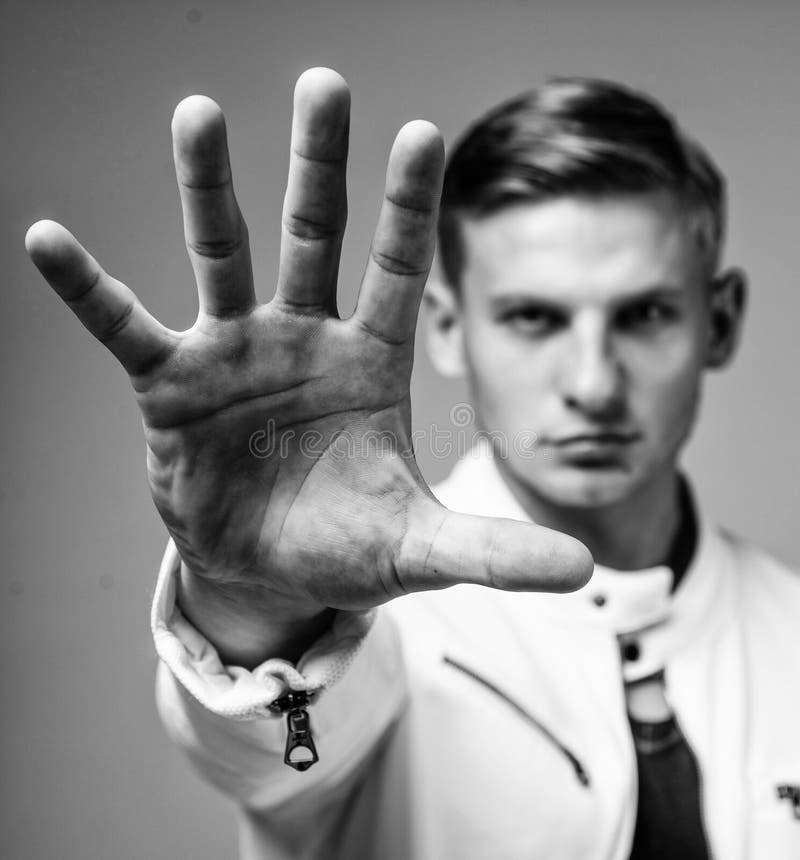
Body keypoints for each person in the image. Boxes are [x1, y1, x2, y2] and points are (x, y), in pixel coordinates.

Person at [25, 67, 800, 859]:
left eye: (647, 314)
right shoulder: (371, 624)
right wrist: (255, 606)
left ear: (722, 321)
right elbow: (271, 753)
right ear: (449, 329)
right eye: (534, 317)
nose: (594, 384)